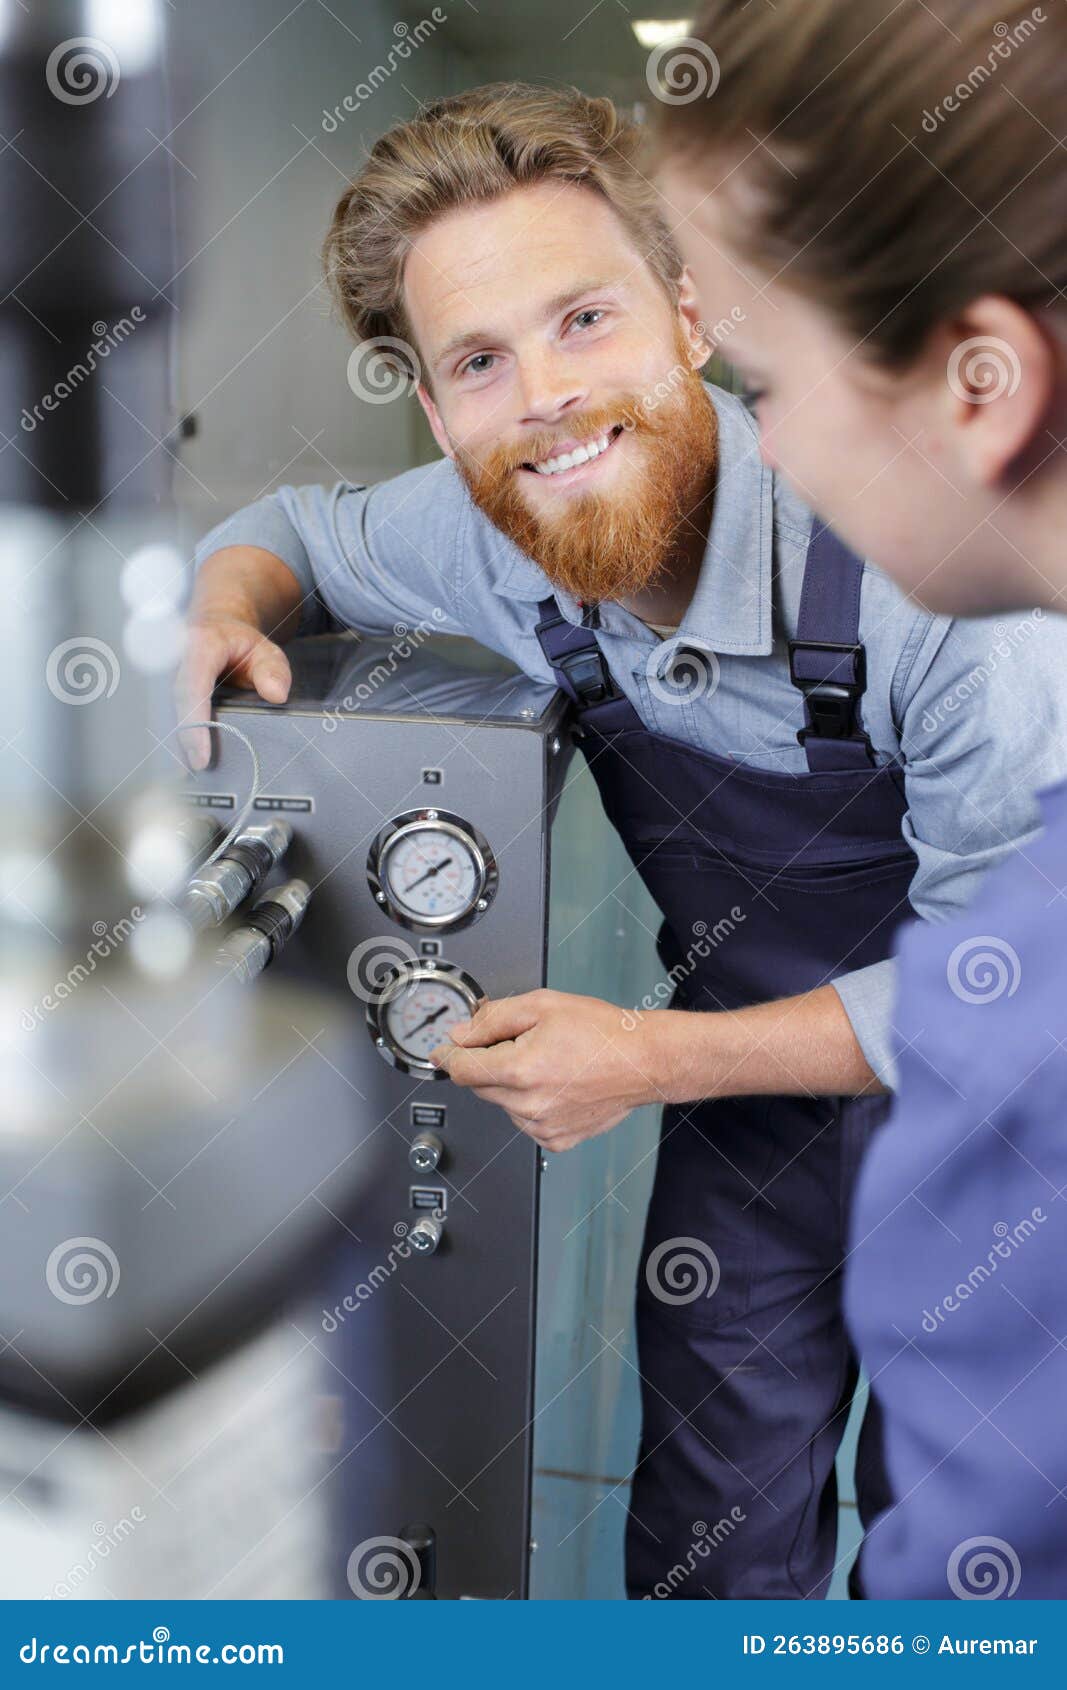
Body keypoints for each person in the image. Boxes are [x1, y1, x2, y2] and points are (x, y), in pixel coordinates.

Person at [182, 82, 1067, 1598]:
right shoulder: (489, 528)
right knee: (707, 1549)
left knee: (952, 1560)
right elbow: (295, 526)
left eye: (584, 320)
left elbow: (1010, 989)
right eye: (478, 361)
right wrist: (213, 609)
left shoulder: (932, 573)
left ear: (690, 317)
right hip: (754, 1126)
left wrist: (651, 1060)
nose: (544, 397)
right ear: (440, 404)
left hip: (1002, 1138)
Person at [651, 0, 1067, 1598]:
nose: (763, 441)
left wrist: (655, 1056)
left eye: (765, 373)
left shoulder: (1020, 1042)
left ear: (978, 386)